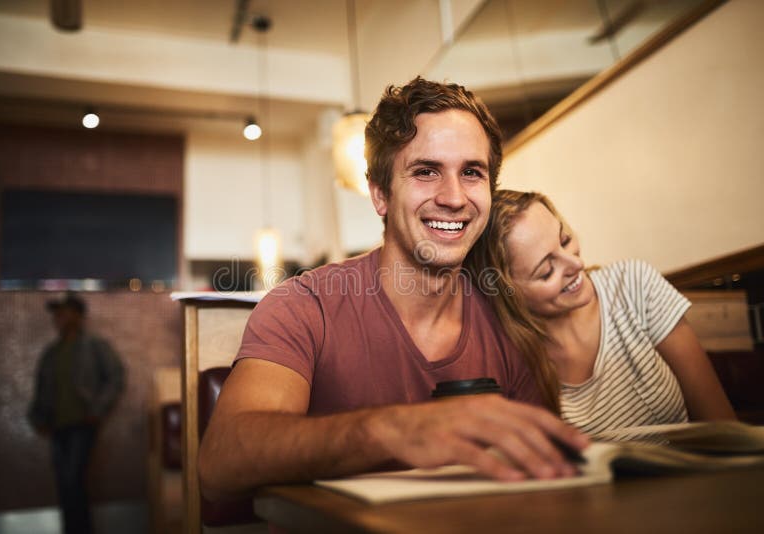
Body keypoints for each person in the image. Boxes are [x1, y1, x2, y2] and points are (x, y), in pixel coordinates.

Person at [198, 78, 589, 503]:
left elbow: (549, 481)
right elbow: (221, 462)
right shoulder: (303, 306)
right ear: (380, 194)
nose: (454, 197)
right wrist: (392, 429)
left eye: (472, 173)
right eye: (426, 172)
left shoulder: (507, 316)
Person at [466, 189, 736, 435]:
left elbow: (723, 427)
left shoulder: (634, 285)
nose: (576, 263)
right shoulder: (507, 359)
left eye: (565, 240)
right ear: (507, 294)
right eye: (547, 271)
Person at [28, 292, 125, 534]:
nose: (58, 317)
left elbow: (115, 377)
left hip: (82, 424)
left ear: (79, 316)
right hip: (57, 426)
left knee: (72, 480)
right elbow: (41, 389)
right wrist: (38, 418)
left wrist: (97, 409)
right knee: (64, 484)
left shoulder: (94, 346)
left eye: (64, 311)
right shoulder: (52, 352)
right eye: (56, 313)